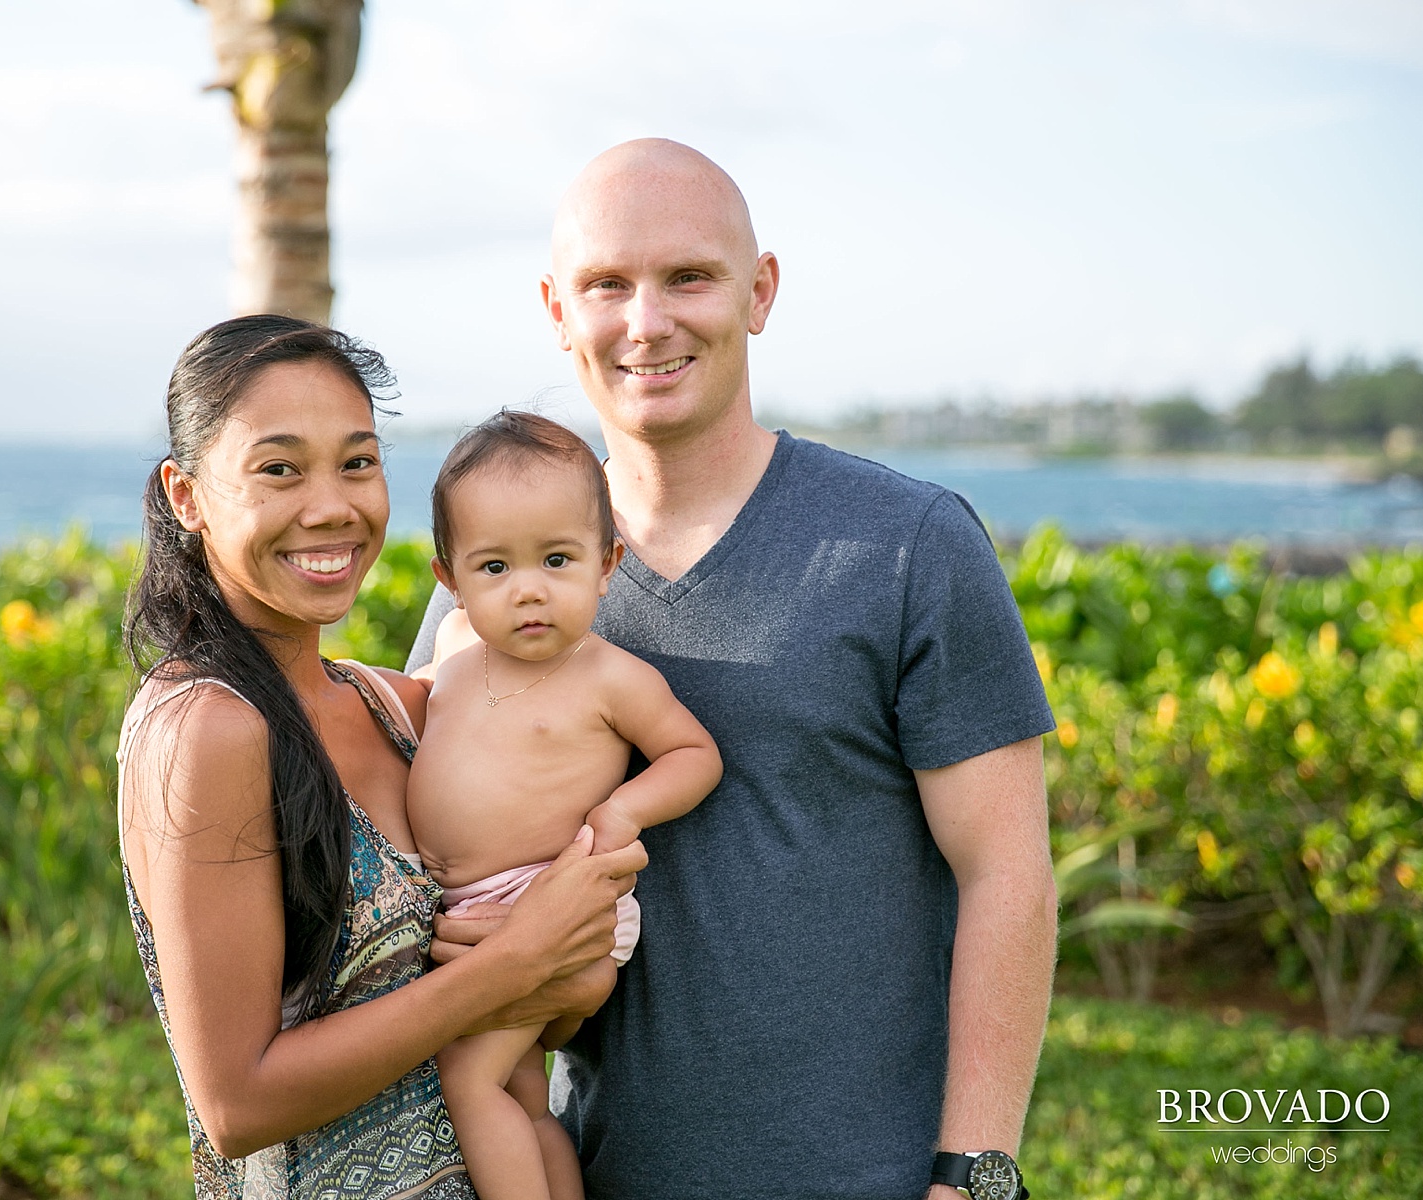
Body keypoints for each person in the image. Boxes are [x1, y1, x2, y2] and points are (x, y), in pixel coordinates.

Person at [409, 141, 1060, 1200]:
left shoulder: (910, 543)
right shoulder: (497, 578)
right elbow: (423, 842)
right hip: (595, 1173)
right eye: (606, 284)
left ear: (758, 292)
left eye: (689, 277)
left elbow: (1008, 874)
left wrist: (974, 1174)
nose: (646, 320)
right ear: (556, 310)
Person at [116, 314, 646, 1199]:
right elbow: (237, 1103)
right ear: (187, 496)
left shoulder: (400, 705)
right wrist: (507, 966)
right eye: (279, 468)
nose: (333, 506)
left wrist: (564, 930)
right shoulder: (204, 729)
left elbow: (523, 1013)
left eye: (357, 461)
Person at [406, 411, 722, 1200]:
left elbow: (696, 755)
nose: (529, 591)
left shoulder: (610, 676)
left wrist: (622, 814)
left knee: (468, 1080)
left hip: (551, 902)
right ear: (450, 581)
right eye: (494, 569)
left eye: (556, 559)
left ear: (607, 562)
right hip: (478, 907)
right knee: (518, 1087)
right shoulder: (451, 654)